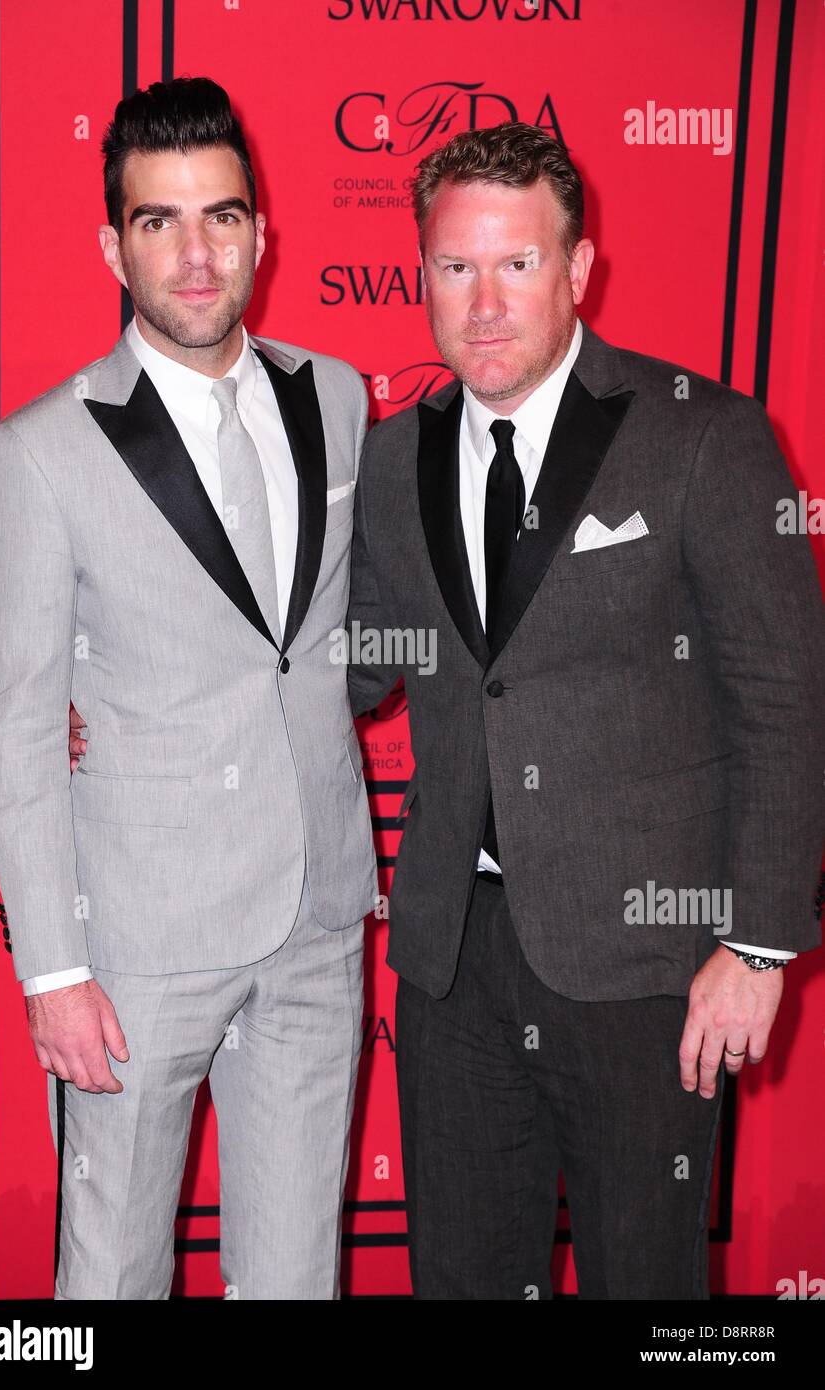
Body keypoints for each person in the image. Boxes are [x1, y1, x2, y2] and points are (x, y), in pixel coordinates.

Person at [345, 122, 825, 1299]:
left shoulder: (699, 435)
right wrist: (118, 710)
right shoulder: (393, 459)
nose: (486, 301)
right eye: (456, 267)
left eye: (517, 264)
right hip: (453, 964)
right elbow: (344, 667)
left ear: (578, 268)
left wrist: (756, 942)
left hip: (647, 967)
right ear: (422, 278)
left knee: (645, 1290)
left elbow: (784, 698)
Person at [0, 76, 376, 1300]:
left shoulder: (341, 397)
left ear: (262, 230)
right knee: (111, 1277)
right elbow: (24, 725)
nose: (196, 256)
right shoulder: (36, 452)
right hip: (136, 943)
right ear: (114, 243)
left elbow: (326, 642)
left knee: (295, 1271)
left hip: (316, 917)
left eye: (222, 217)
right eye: (160, 221)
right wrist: (53, 972)